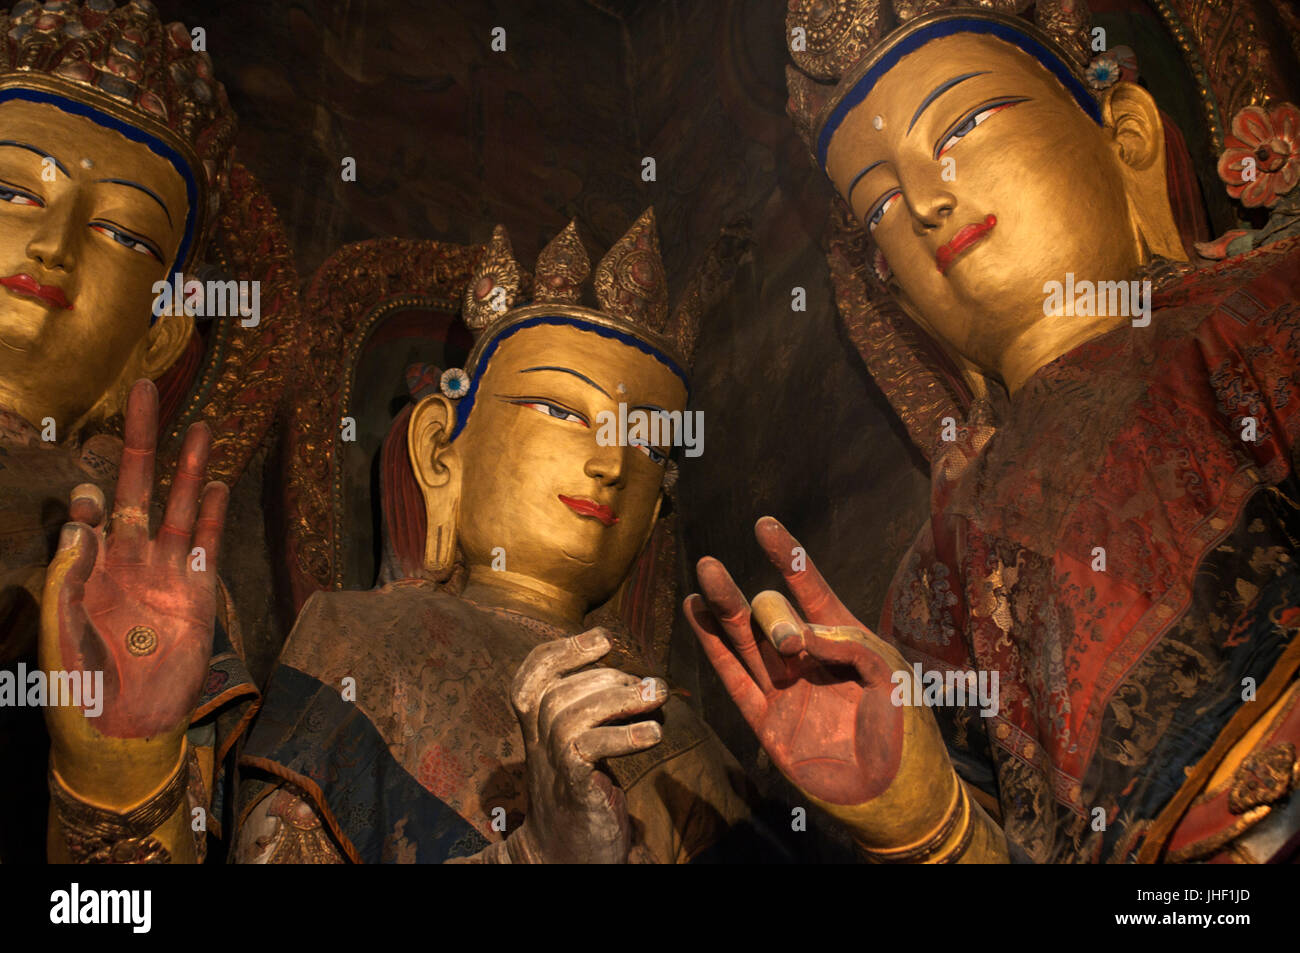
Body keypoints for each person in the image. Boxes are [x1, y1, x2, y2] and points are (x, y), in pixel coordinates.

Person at [687, 2, 1300, 863]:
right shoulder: (940, 560)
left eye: (964, 126)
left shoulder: (1260, 313)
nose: (926, 204)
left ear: (1124, 138)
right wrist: (928, 821)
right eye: (879, 204)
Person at [235, 214, 765, 863]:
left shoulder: (685, 736)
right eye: (561, 410)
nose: (612, 463)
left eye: (650, 443)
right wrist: (532, 855)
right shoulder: (364, 639)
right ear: (440, 450)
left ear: (657, 510)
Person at [1, 0, 259, 863]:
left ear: (160, 335)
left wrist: (116, 778)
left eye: (120, 232)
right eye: (10, 190)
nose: (52, 245)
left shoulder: (131, 569)